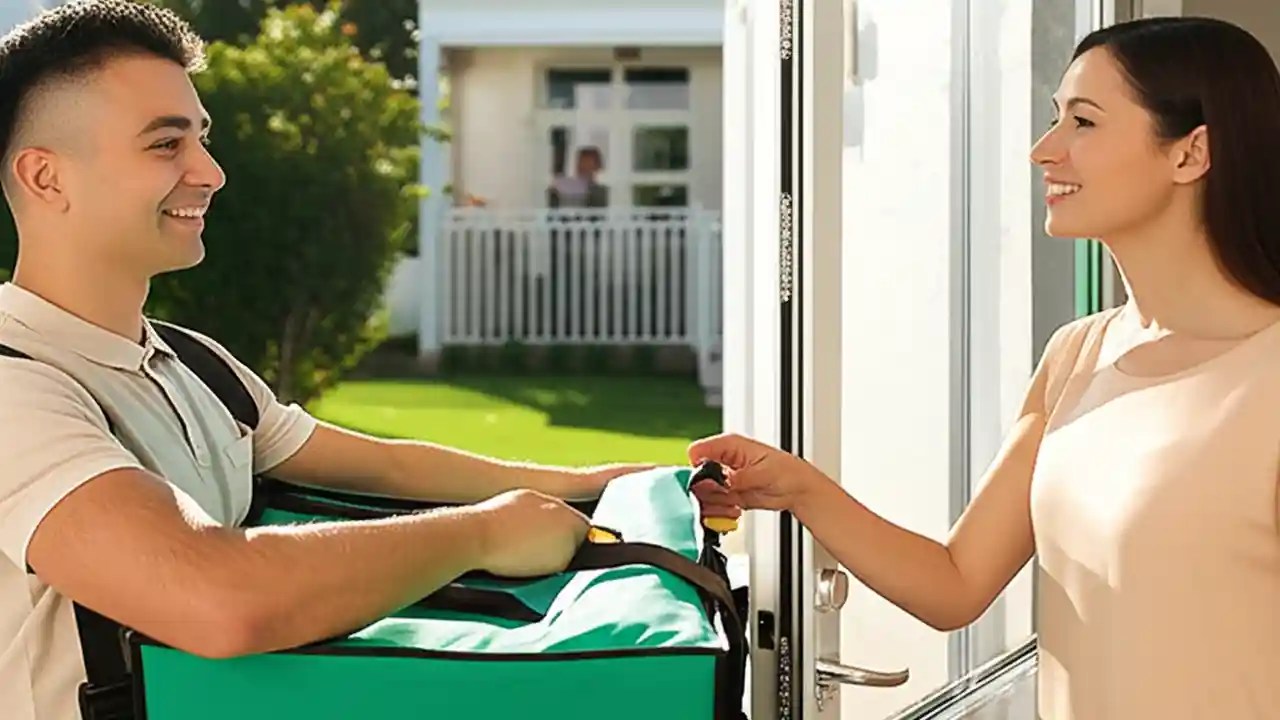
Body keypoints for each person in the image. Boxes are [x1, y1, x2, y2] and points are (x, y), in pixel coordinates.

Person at [0, 4, 736, 718]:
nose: (211, 171)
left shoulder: (194, 364)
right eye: (167, 144)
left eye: (202, 137)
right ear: (46, 177)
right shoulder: (16, 388)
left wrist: (631, 488)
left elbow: (388, 470)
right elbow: (213, 596)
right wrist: (480, 533)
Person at [691, 16, 1280, 720]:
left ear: (1191, 153)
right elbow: (956, 582)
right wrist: (800, 490)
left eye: (1083, 123)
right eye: (1053, 118)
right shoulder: (1078, 354)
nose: (1043, 150)